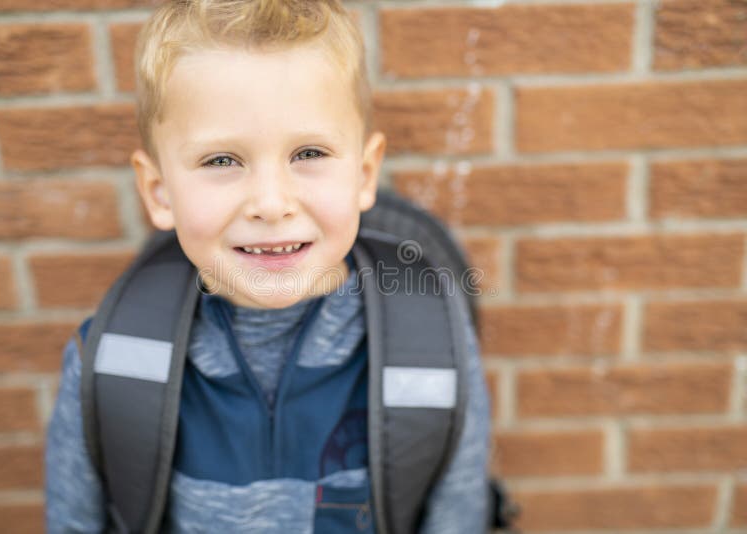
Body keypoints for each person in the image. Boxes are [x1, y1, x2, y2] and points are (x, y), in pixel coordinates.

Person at [44, 0, 491, 532]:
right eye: (221, 161)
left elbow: (458, 517)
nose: (271, 203)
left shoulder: (433, 348)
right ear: (159, 192)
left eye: (308, 154)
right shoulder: (111, 361)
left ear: (365, 174)